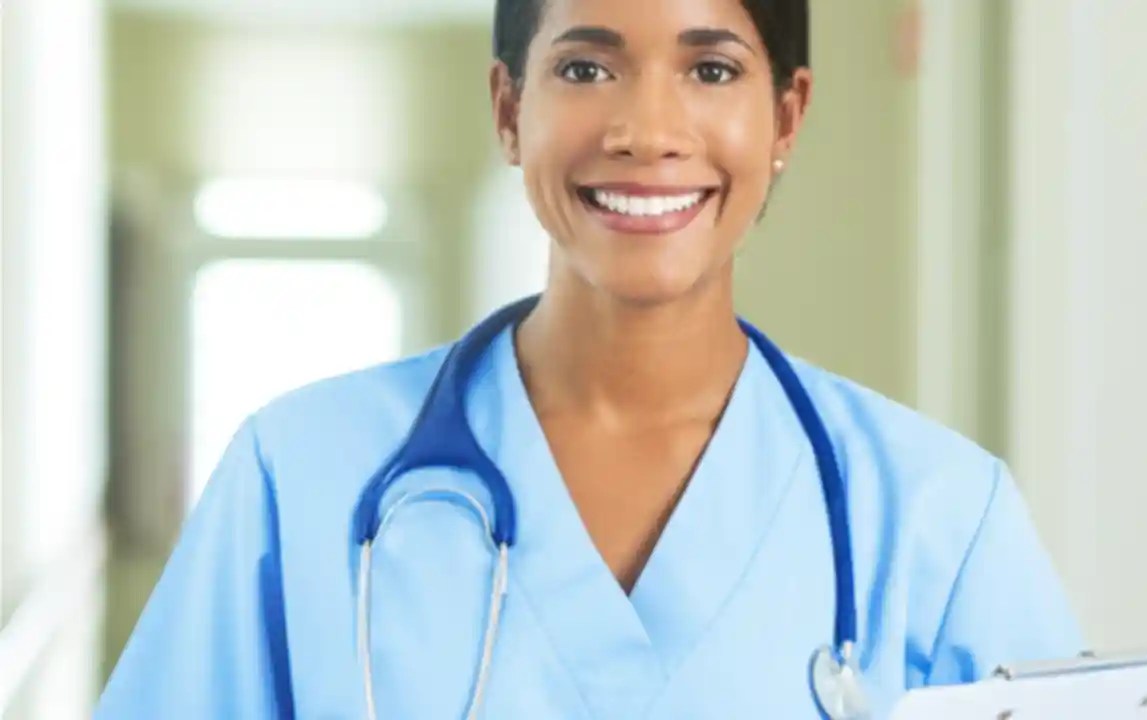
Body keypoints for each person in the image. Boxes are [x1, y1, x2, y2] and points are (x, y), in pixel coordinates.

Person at [95, 0, 1082, 717]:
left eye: (709, 69)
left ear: (785, 117)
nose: (644, 132)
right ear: (505, 109)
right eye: (583, 68)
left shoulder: (937, 519)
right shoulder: (299, 475)